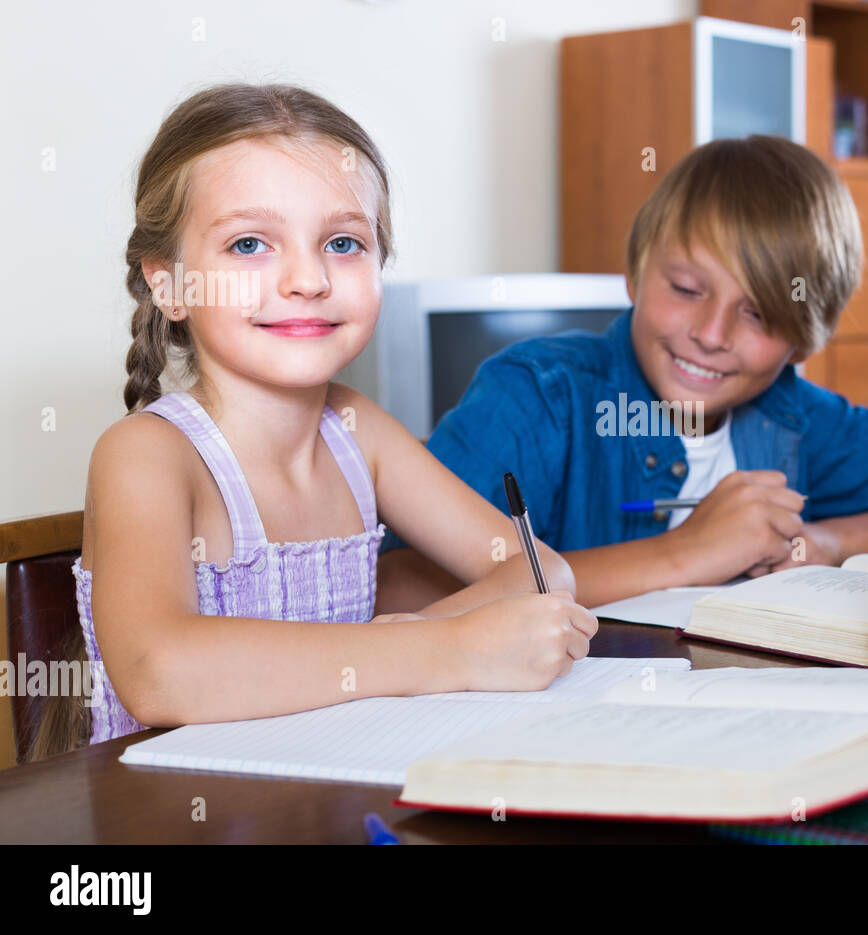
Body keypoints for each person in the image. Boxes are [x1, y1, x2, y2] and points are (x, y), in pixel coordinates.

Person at [42, 84, 596, 758]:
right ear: (170, 285)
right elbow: (160, 670)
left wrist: (409, 648)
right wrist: (438, 649)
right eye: (249, 244)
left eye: (342, 241)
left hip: (327, 790)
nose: (307, 278)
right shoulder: (146, 454)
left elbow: (540, 571)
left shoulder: (358, 431)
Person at [377, 135, 868, 611]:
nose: (711, 334)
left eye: (760, 313)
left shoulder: (796, 414)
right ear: (635, 273)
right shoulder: (538, 396)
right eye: (687, 289)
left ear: (801, 340)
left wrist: (822, 542)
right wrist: (687, 553)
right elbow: (395, 589)